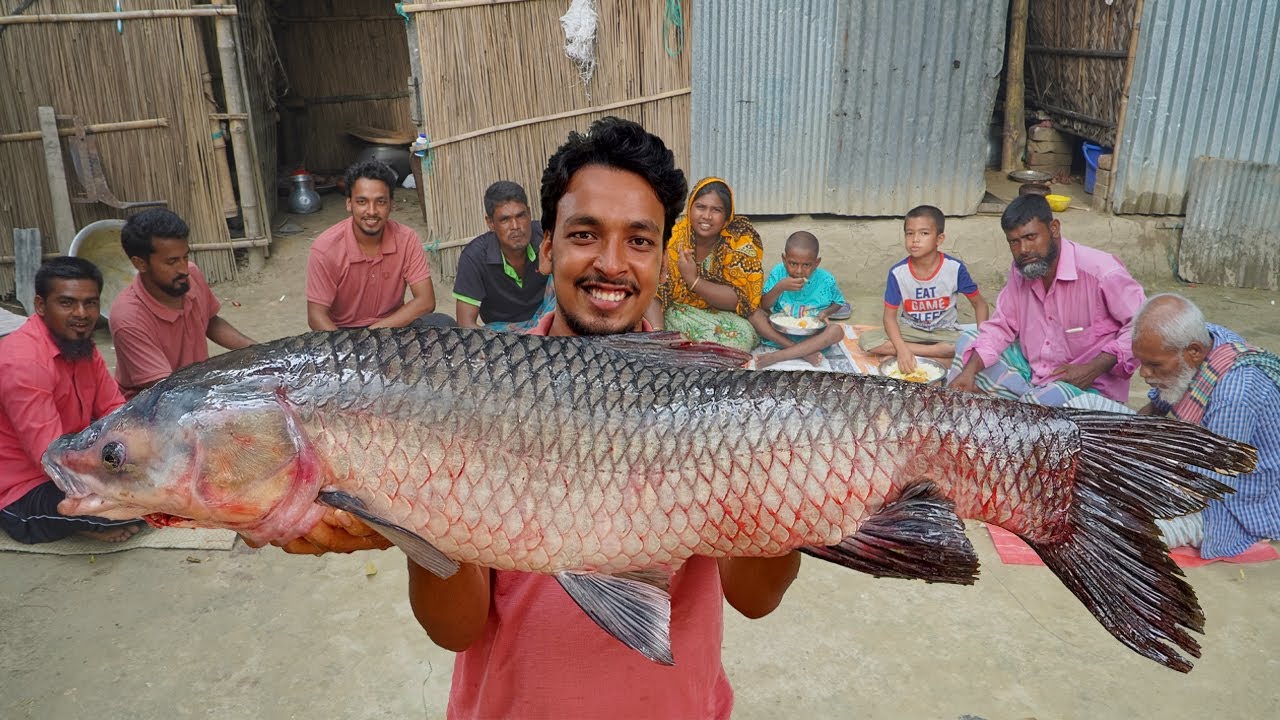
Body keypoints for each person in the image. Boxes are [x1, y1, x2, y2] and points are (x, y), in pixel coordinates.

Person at [274, 118, 801, 719]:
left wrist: (792, 493)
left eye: (639, 240)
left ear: (659, 257)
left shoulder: (714, 400)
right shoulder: (470, 392)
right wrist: (412, 519)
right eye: (584, 234)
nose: (612, 264)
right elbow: (455, 628)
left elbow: (754, 598)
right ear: (546, 247)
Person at [948, 194, 1146, 406]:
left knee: (1040, 405)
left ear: (1054, 229)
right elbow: (1001, 326)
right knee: (969, 342)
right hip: (1033, 376)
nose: (1023, 250)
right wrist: (969, 372)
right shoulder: (1021, 271)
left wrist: (1094, 368)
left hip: (1089, 386)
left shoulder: (1101, 272)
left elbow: (1144, 326)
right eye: (1014, 242)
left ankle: (1020, 406)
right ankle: (1021, 403)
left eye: (1031, 237)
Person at [0, 257, 143, 544]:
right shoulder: (24, 362)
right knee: (134, 504)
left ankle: (98, 515)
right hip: (23, 489)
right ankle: (88, 522)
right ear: (41, 306)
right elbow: (50, 457)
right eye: (67, 303)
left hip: (74, 462)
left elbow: (118, 414)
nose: (82, 313)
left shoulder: (83, 347)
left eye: (90, 303)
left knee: (162, 486)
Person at [1132, 294, 1280, 558]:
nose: (1143, 373)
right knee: (1081, 406)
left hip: (1231, 502)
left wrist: (1134, 472)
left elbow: (1209, 487)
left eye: (1154, 365)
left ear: (1193, 353)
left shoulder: (1235, 396)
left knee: (1124, 530)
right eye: (1142, 362)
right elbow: (1154, 410)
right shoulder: (1206, 337)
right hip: (1194, 465)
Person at [653, 177, 825, 359]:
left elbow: (741, 300)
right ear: (690, 208)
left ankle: (681, 345)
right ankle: (663, 340)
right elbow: (655, 289)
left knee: (741, 337)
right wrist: (657, 333)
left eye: (716, 210)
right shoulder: (674, 238)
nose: (706, 216)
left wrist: (693, 281)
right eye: (700, 207)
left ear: (728, 216)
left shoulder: (741, 242)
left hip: (724, 312)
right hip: (678, 310)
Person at [109, 208, 255, 398]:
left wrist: (257, 350)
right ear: (140, 264)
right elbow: (167, 389)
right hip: (153, 407)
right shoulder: (128, 318)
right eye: (172, 262)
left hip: (196, 386)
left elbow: (210, 321)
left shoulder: (190, 275)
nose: (183, 269)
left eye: (185, 257)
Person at [306, 159, 453, 331]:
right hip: (342, 335)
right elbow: (316, 316)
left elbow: (425, 301)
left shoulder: (406, 239)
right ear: (349, 204)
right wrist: (347, 350)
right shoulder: (325, 248)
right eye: (362, 202)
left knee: (443, 323)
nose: (371, 211)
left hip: (392, 328)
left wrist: (372, 336)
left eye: (380, 202)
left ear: (391, 204)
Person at [859, 205, 990, 374]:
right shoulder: (898, 273)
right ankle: (934, 355)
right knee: (867, 341)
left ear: (939, 239)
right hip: (911, 331)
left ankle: (920, 355)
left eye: (924, 233)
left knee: (967, 345)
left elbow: (980, 304)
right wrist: (903, 348)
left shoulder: (954, 268)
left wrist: (981, 339)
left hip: (945, 331)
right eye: (910, 233)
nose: (915, 239)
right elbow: (889, 318)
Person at [452, 181, 551, 330]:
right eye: (505, 219)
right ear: (490, 223)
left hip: (550, 321)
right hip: (503, 333)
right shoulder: (474, 257)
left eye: (521, 216)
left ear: (529, 213)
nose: (516, 226)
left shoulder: (547, 237)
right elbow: (466, 325)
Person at [754, 230, 849, 370]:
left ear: (816, 263)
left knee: (837, 331)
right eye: (792, 264)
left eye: (806, 265)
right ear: (784, 259)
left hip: (811, 337)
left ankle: (779, 356)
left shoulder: (826, 279)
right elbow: (764, 305)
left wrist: (825, 313)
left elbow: (838, 302)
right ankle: (802, 353)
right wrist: (780, 287)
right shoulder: (779, 272)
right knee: (754, 314)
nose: (799, 271)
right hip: (780, 334)